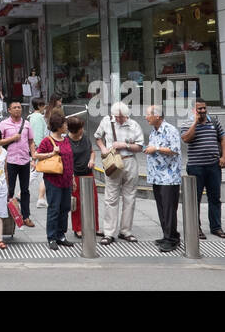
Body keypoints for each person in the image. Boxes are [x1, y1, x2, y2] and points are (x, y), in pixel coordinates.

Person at [180, 98, 225, 239]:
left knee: (215, 198)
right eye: (199, 109)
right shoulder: (188, 123)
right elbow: (186, 139)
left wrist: (224, 157)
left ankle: (216, 227)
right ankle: (196, 228)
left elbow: (223, 139)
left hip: (214, 166)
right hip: (196, 167)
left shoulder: (213, 121)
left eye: (203, 108)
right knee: (195, 199)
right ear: (193, 110)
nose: (202, 111)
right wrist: (195, 122)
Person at [95, 101, 143, 244]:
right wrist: (103, 148)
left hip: (129, 161)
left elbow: (140, 146)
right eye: (116, 117)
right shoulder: (106, 121)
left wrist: (125, 145)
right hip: (113, 162)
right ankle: (109, 232)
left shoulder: (134, 125)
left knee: (130, 197)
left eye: (121, 117)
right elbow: (97, 137)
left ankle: (126, 231)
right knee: (111, 198)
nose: (118, 120)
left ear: (126, 115)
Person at [33, 109, 75, 250]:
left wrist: (73, 179)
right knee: (54, 208)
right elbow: (36, 155)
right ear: (58, 125)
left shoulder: (66, 139)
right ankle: (51, 237)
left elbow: (70, 160)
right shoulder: (47, 141)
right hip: (53, 180)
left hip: (67, 180)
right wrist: (52, 153)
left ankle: (61, 235)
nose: (66, 126)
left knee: (65, 208)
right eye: (64, 123)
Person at [144, 104, 182, 252]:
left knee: (169, 208)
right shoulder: (154, 132)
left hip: (169, 177)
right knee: (161, 208)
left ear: (157, 116)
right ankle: (167, 235)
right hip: (157, 176)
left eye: (148, 114)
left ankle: (172, 239)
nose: (146, 117)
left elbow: (175, 150)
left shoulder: (170, 130)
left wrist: (156, 149)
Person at [0, 101, 35, 228]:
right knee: (9, 189)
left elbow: (31, 141)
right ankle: (7, 215)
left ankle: (26, 216)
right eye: (14, 107)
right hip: (10, 161)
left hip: (24, 160)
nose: (17, 109)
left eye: (19, 107)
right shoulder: (3, 124)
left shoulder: (27, 124)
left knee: (25, 190)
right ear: (9, 110)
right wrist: (12, 138)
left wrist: (33, 157)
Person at [66, 115, 96, 239]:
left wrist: (92, 160)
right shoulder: (66, 141)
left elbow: (92, 151)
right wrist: (71, 176)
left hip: (88, 173)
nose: (82, 130)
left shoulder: (85, 137)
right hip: (75, 175)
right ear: (75, 129)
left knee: (93, 201)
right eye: (81, 128)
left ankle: (94, 226)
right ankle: (78, 228)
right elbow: (66, 161)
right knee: (77, 204)